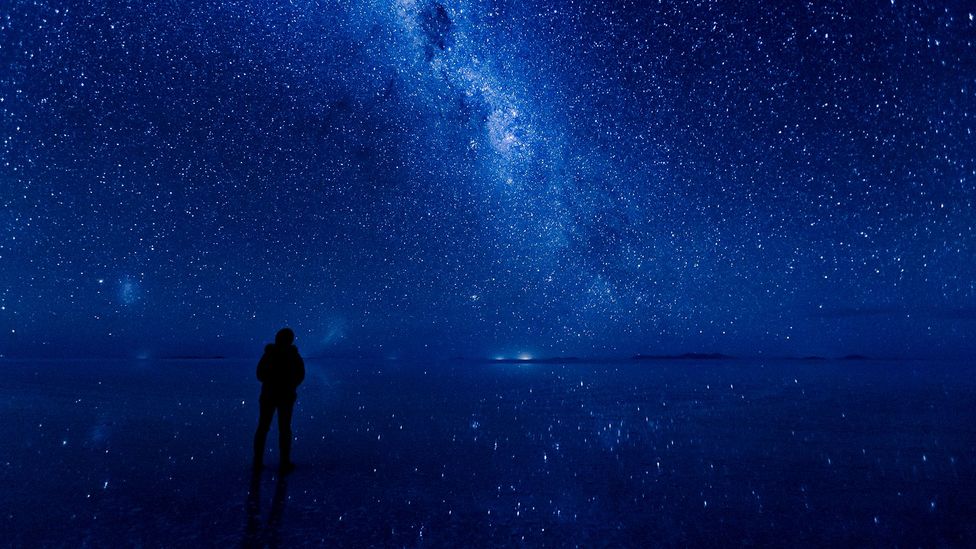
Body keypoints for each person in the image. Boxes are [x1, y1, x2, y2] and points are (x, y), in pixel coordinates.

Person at [253, 327, 305, 474]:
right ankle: (283, 462)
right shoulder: (290, 355)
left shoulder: (271, 354)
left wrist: (273, 382)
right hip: (283, 397)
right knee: (282, 429)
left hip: (272, 396)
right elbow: (300, 375)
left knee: (265, 428)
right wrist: (288, 385)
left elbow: (260, 374)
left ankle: (260, 461)